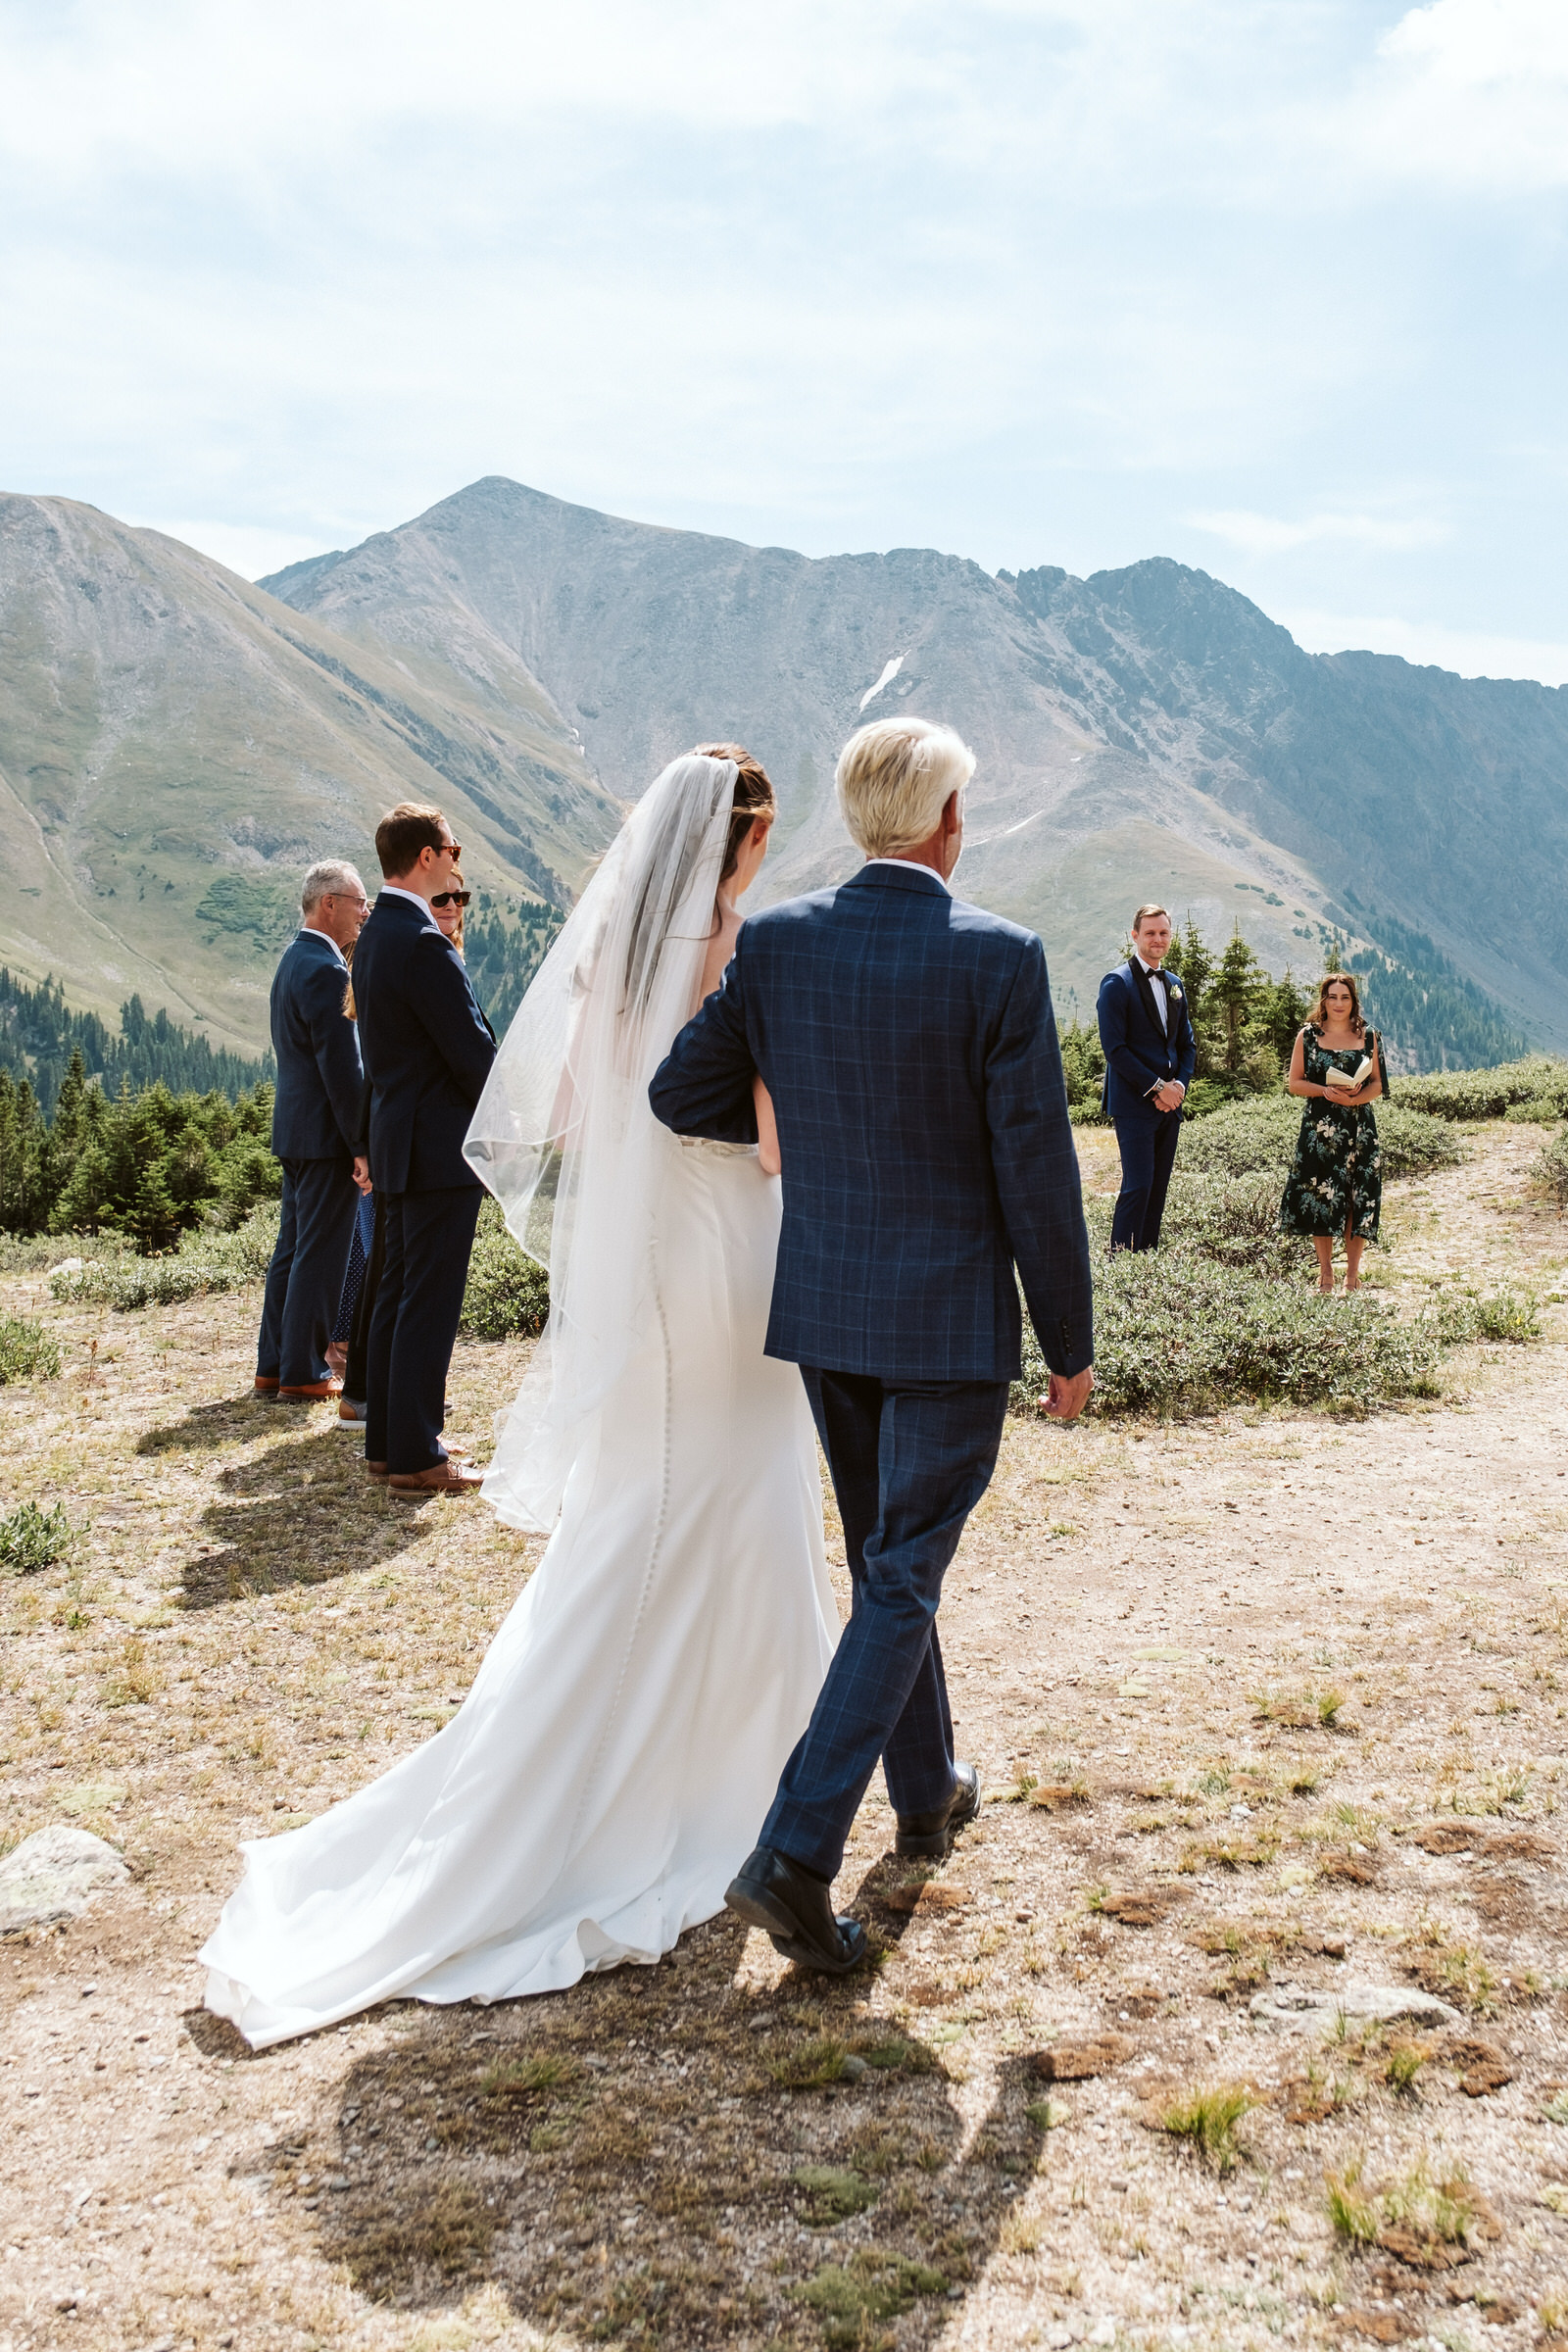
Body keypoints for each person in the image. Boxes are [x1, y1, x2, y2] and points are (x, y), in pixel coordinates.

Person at [200, 750, 836, 2045]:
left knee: (665, 1498)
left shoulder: (615, 956)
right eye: (763, 836)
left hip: (658, 1254)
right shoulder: (736, 946)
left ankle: (688, 1766)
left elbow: (568, 1115)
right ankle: (730, 1778)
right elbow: (775, 1136)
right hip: (730, 1244)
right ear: (741, 840)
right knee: (732, 1494)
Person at [649, 715, 1096, 1976]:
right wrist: (1069, 1337)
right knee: (901, 1573)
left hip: (831, 1311)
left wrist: (816, 1129)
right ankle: (795, 1854)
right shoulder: (999, 959)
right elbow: (1036, 1168)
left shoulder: (781, 944)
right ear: (947, 822)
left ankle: (928, 1784)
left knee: (885, 1565)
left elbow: (680, 1094)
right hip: (949, 1323)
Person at [351, 808, 497, 1494]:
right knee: (427, 1300)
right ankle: (416, 1454)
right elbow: (468, 1050)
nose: (453, 860)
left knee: (398, 1294)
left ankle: (391, 1439)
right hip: (437, 1147)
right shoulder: (422, 941)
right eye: (451, 849)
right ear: (429, 856)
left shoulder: (377, 932)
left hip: (397, 1140)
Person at [333, 873, 469, 1423]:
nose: (453, 906)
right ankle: (380, 1402)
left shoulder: (422, 953)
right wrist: (361, 1145)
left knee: (391, 1275)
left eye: (462, 898)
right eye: (443, 896)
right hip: (410, 1144)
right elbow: (376, 1067)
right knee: (397, 1278)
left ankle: (383, 1401)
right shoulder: (416, 952)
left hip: (394, 1140)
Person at [254, 860, 369, 1401]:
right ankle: (304, 1371)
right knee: (319, 1254)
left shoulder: (291, 960)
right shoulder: (327, 969)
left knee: (292, 1249)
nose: (365, 912)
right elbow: (340, 1068)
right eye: (358, 902)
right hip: (325, 1136)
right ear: (329, 903)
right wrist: (360, 1143)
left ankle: (273, 1365)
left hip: (295, 1130)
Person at [1097, 904, 1197, 1252]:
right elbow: (1115, 1049)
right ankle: (1120, 1264)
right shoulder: (1116, 983)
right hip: (1134, 1102)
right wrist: (1158, 1088)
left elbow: (1187, 1044)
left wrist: (1179, 1087)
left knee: (1157, 1188)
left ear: (1170, 937)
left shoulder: (1174, 985)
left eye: (1164, 933)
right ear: (1135, 935)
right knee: (1137, 1186)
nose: (1158, 939)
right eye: (1150, 932)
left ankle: (1147, 1264)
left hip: (1171, 1105)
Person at [1279, 972, 1388, 1292]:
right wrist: (1324, 1092)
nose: (1338, 1004)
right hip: (1319, 1130)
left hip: (1359, 1129)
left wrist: (1356, 1097)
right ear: (1323, 1000)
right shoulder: (1308, 1036)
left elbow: (1379, 1084)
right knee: (1320, 1198)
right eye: (1332, 997)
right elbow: (1295, 1083)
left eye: (1345, 997)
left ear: (1353, 1000)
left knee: (1357, 1199)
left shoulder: (1369, 1036)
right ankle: (1326, 1273)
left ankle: (1352, 1276)